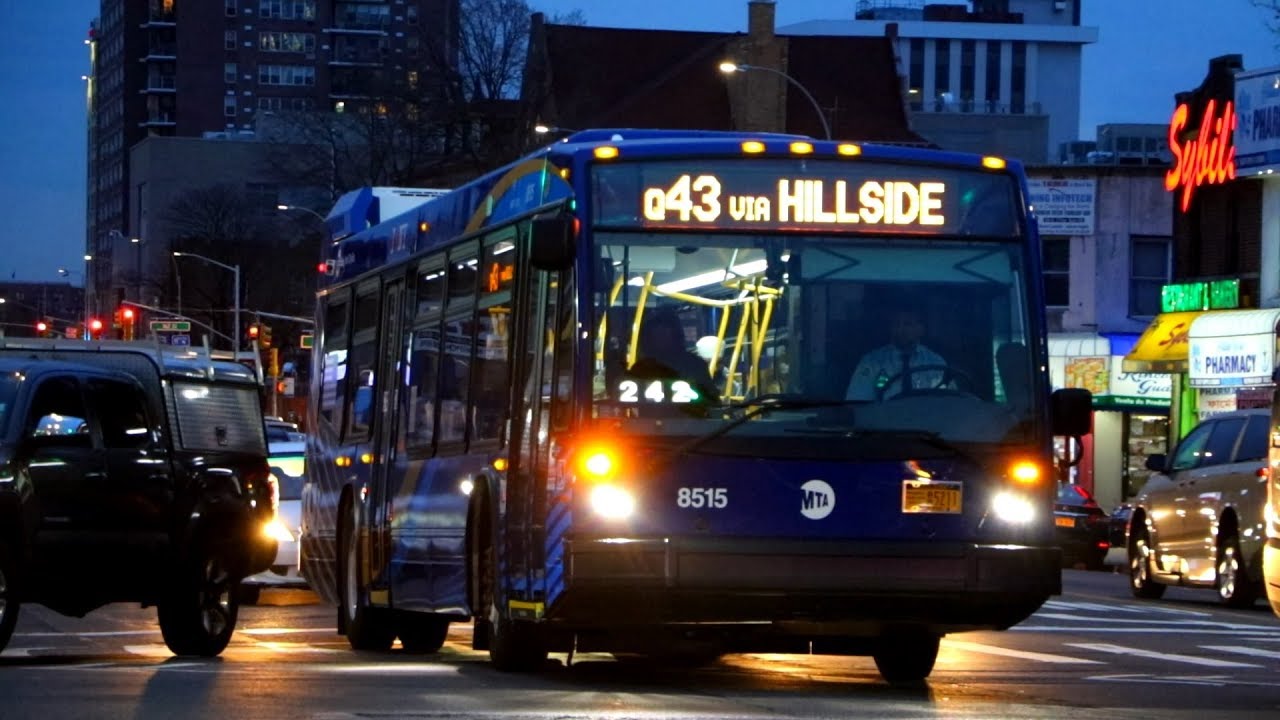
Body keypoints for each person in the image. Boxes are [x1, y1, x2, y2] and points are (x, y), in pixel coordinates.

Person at [846, 306, 949, 400]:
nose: (900, 329)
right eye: (896, 324)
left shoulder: (935, 362)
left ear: (921, 329)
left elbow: (948, 403)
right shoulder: (871, 362)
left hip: (927, 419)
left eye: (907, 324)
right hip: (883, 419)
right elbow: (857, 402)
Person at [628, 306, 719, 403]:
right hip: (648, 418)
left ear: (675, 333)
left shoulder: (695, 365)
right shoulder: (640, 368)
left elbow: (711, 402)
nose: (661, 336)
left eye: (665, 330)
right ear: (648, 336)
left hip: (689, 418)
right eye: (656, 331)